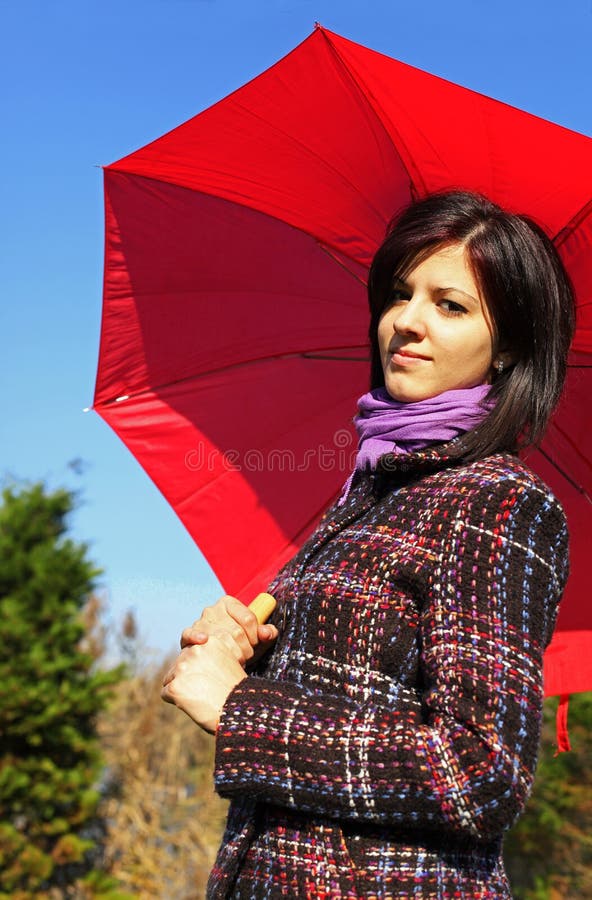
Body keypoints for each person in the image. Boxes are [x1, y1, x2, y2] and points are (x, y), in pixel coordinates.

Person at [162, 190, 575, 898]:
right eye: (399, 294)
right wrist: (246, 652)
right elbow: (364, 695)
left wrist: (242, 710)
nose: (406, 321)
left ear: (508, 345)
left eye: (450, 305)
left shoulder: (497, 502)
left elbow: (480, 772)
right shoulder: (371, 492)